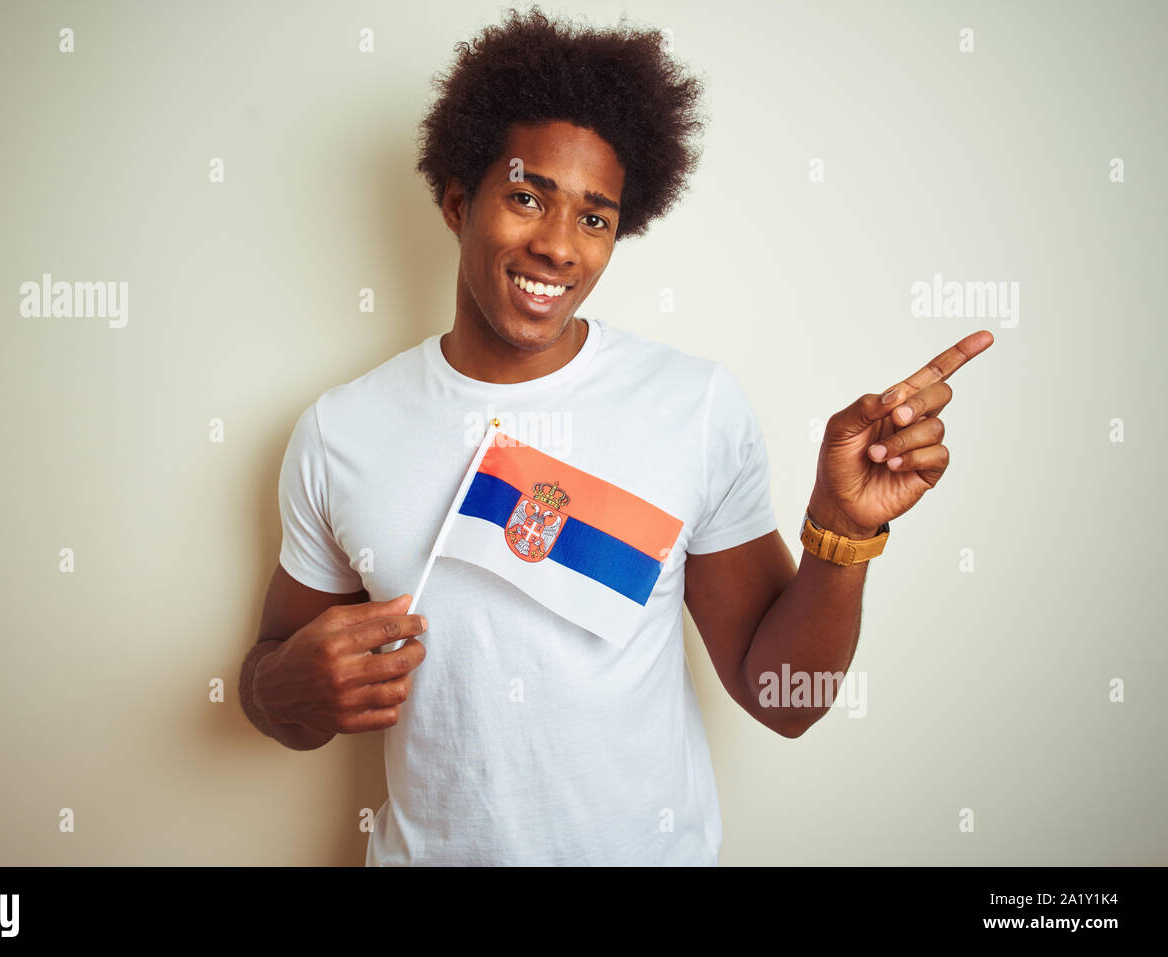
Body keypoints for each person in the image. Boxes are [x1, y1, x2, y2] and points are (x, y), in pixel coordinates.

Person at [238, 6, 991, 865]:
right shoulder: (342, 432)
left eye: (595, 218)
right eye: (527, 197)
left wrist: (844, 536)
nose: (559, 246)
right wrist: (281, 686)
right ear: (457, 203)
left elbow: (786, 698)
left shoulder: (692, 404)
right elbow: (274, 689)